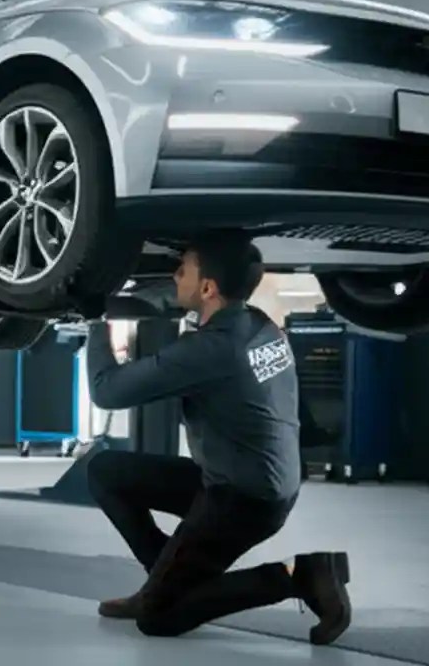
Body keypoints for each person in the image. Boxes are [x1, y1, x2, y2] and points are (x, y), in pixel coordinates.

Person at [83, 230, 352, 645]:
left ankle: (302, 574)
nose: (173, 274)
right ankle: (164, 581)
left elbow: (106, 391)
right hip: (248, 479)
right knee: (106, 471)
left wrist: (95, 318)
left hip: (242, 500)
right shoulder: (258, 325)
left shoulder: (212, 350)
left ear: (207, 287)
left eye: (182, 269)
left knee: (160, 618)